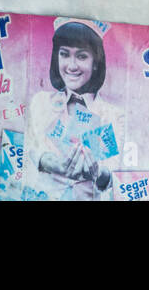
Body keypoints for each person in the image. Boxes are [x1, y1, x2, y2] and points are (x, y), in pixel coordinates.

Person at [23, 18, 125, 201]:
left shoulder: (112, 115)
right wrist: (48, 161)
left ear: (96, 62)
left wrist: (98, 172)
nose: (71, 66)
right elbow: (27, 152)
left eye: (82, 56)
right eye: (64, 54)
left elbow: (113, 177)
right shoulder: (41, 103)